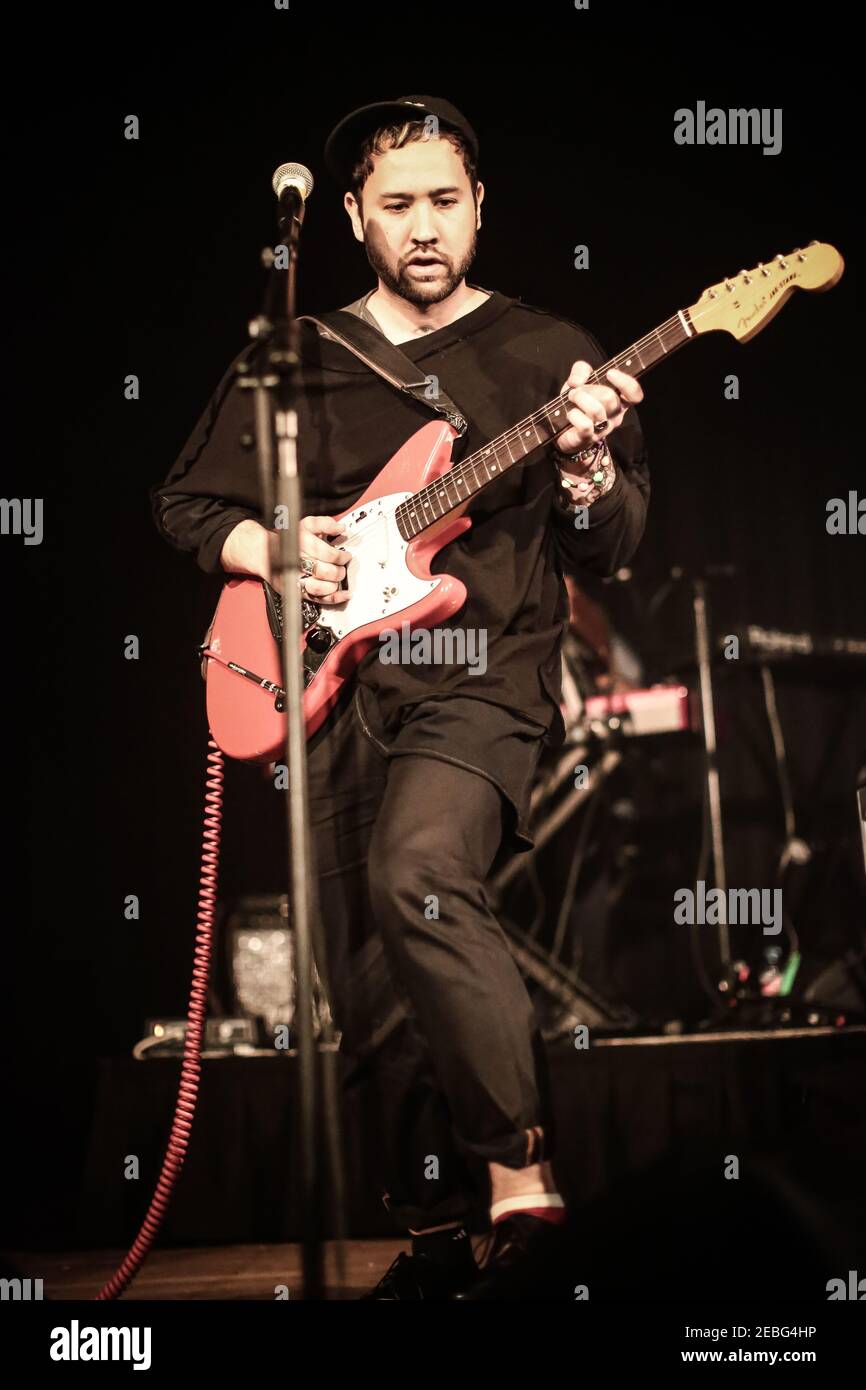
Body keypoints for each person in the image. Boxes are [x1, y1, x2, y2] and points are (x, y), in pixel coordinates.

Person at [151, 95, 650, 1299]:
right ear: (353, 222)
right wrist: (280, 551)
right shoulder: (301, 354)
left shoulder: (549, 353)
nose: (422, 226)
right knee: (361, 973)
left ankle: (520, 1177)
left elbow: (613, 547)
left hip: (478, 681)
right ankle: (431, 1233)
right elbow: (184, 506)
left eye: (443, 200)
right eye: (396, 206)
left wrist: (583, 463)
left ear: (478, 207)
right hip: (326, 682)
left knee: (420, 871)